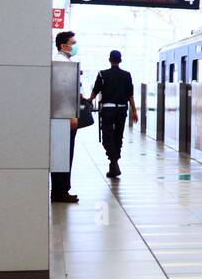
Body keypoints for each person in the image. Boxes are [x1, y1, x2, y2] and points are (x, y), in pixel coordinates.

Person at [90, 50, 138, 178]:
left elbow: (95, 91)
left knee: (107, 136)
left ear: (109, 60)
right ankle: (114, 162)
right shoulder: (127, 75)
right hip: (122, 109)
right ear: (120, 61)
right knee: (118, 135)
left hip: (107, 110)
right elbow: (130, 95)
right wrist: (135, 111)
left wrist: (89, 101)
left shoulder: (102, 74)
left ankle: (113, 160)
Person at [51, 31, 81, 203]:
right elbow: (63, 93)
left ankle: (61, 190)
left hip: (61, 117)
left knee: (63, 154)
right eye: (73, 42)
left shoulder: (63, 62)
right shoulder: (61, 63)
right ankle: (60, 191)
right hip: (62, 119)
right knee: (63, 154)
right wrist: (71, 116)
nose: (75, 45)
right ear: (63, 45)